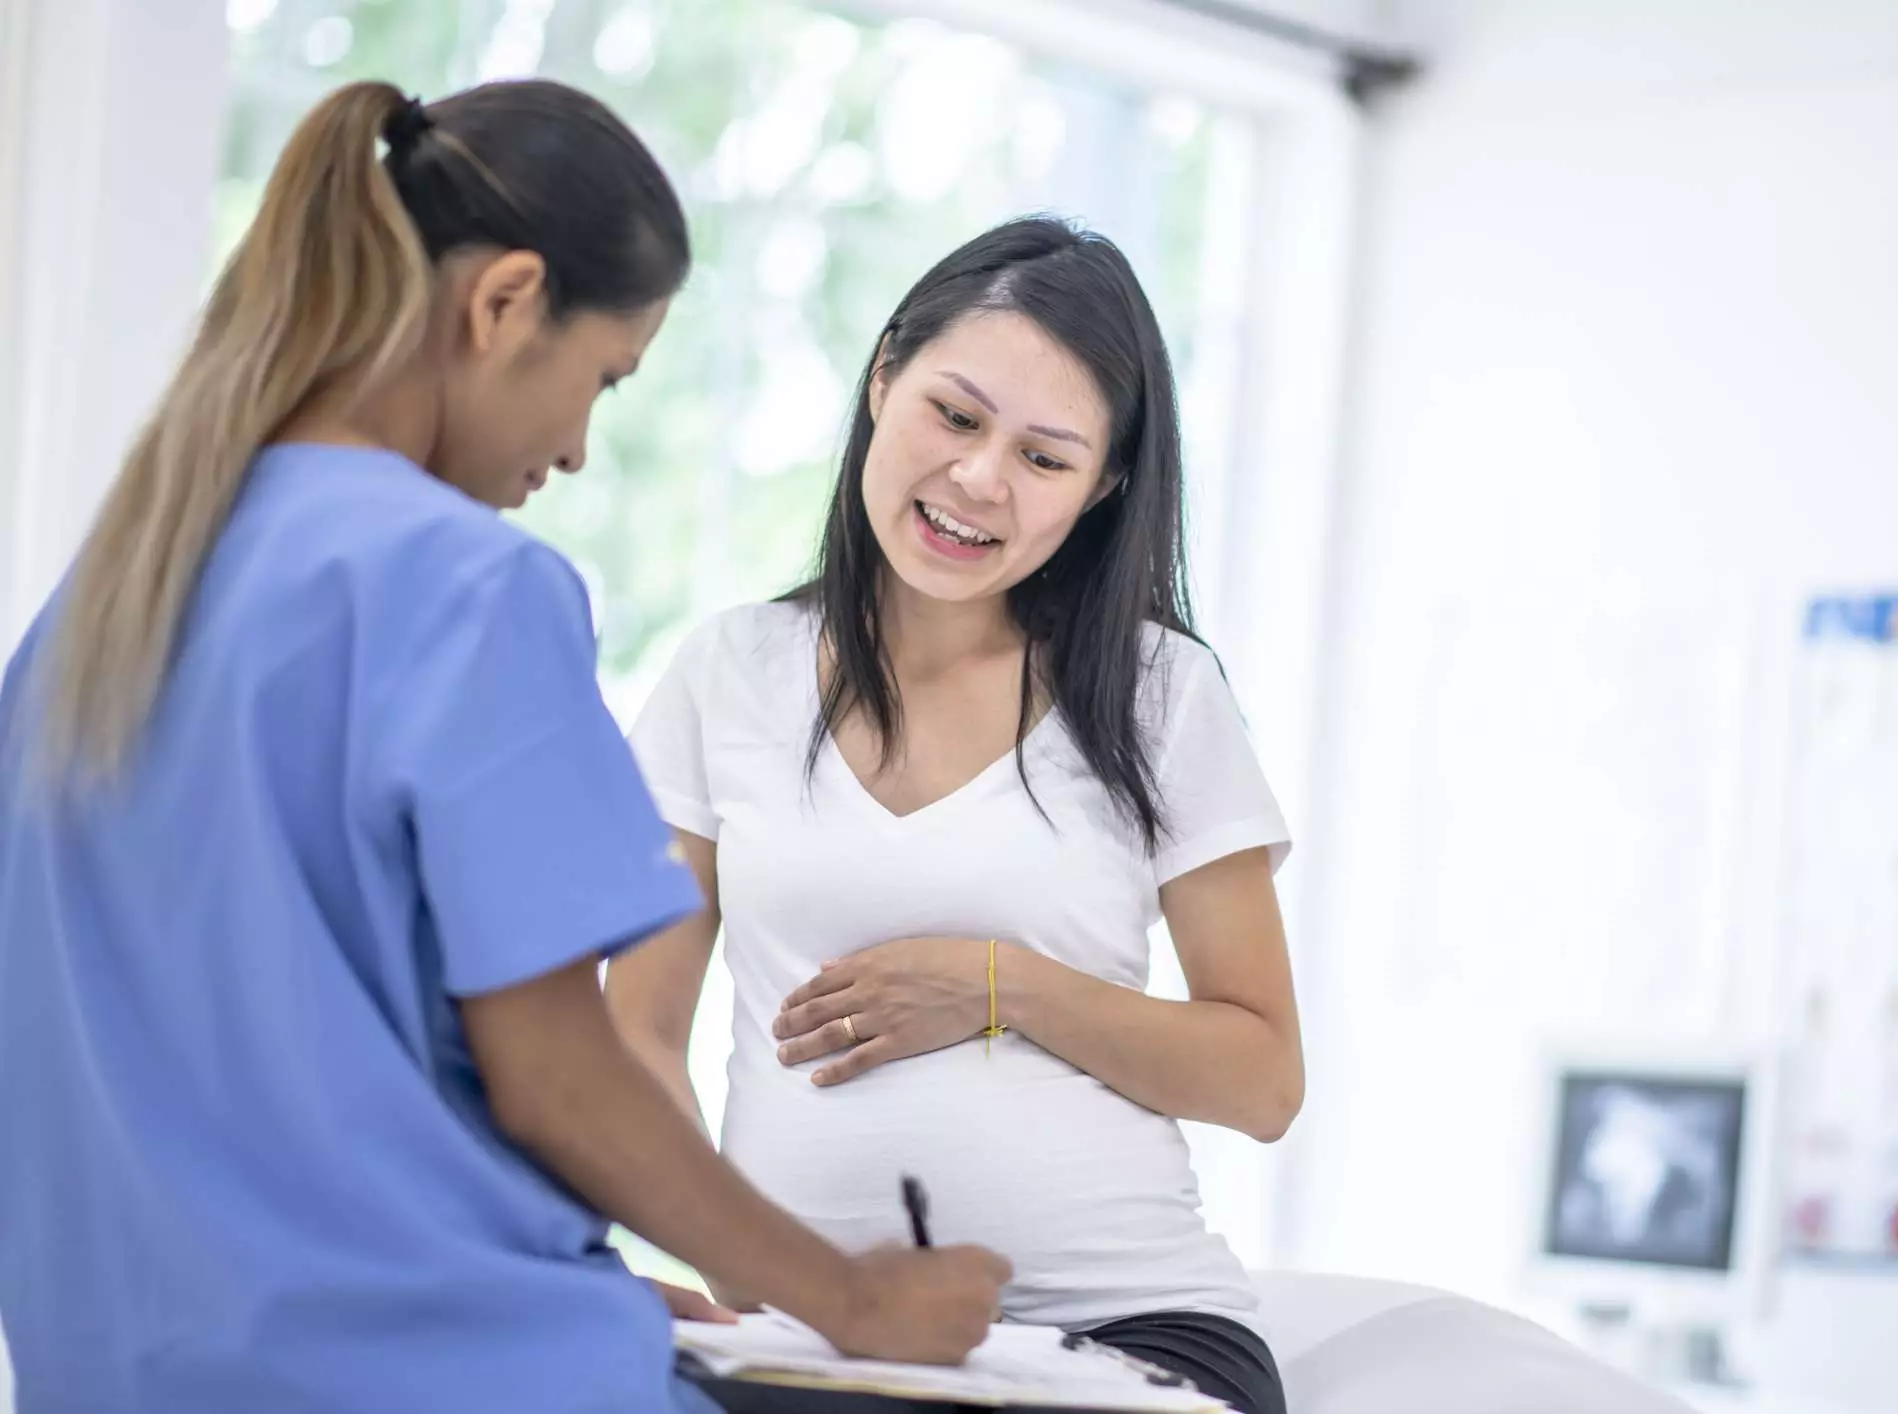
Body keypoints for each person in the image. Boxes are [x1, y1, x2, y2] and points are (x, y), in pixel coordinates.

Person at [0, 79, 1005, 1414]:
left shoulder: (106, 598)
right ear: (504, 302)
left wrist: (523, 1259)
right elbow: (557, 1082)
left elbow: (223, 1081)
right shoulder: (461, 586)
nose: (583, 450)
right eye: (602, 379)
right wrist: (856, 1297)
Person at [611, 218, 1305, 1414]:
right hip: (811, 1338)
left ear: (1105, 487)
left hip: (1122, 1331)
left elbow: (1263, 1079)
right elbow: (636, 1038)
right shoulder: (732, 671)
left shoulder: (1160, 692)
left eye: (1046, 458)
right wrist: (747, 1266)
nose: (981, 479)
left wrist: (1002, 986)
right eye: (957, 415)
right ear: (884, 378)